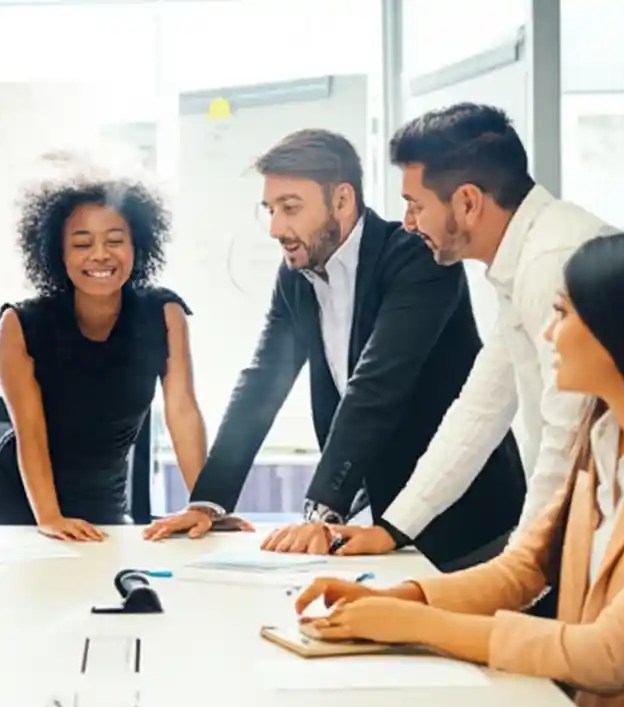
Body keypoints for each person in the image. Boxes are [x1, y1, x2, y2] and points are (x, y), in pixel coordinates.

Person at [296, 229, 624, 707]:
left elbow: (609, 655)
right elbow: (522, 570)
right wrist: (392, 598)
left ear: (623, 334)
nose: (548, 333)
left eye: (562, 313)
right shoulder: (602, 441)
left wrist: (414, 623)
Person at [144, 129, 525, 572]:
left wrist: (321, 510)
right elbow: (263, 382)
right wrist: (209, 502)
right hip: (377, 523)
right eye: (270, 210)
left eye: (290, 208)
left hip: (463, 518)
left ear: (342, 200)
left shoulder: (415, 257)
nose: (276, 228)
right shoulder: (295, 274)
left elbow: (376, 385)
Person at [365, 103, 614, 568]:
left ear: (467, 203)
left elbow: (567, 437)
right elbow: (481, 408)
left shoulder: (551, 262)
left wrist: (519, 567)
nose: (408, 223)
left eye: (416, 205)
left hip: (612, 536)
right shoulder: (526, 256)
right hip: (574, 526)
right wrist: (394, 528)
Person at [0, 173, 208, 540]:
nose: (100, 255)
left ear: (137, 245)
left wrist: (206, 505)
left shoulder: (164, 314)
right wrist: (50, 518)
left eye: (115, 241)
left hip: (104, 500)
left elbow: (183, 411)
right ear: (58, 253)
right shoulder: (22, 323)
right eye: (82, 243)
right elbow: (30, 432)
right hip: (20, 502)